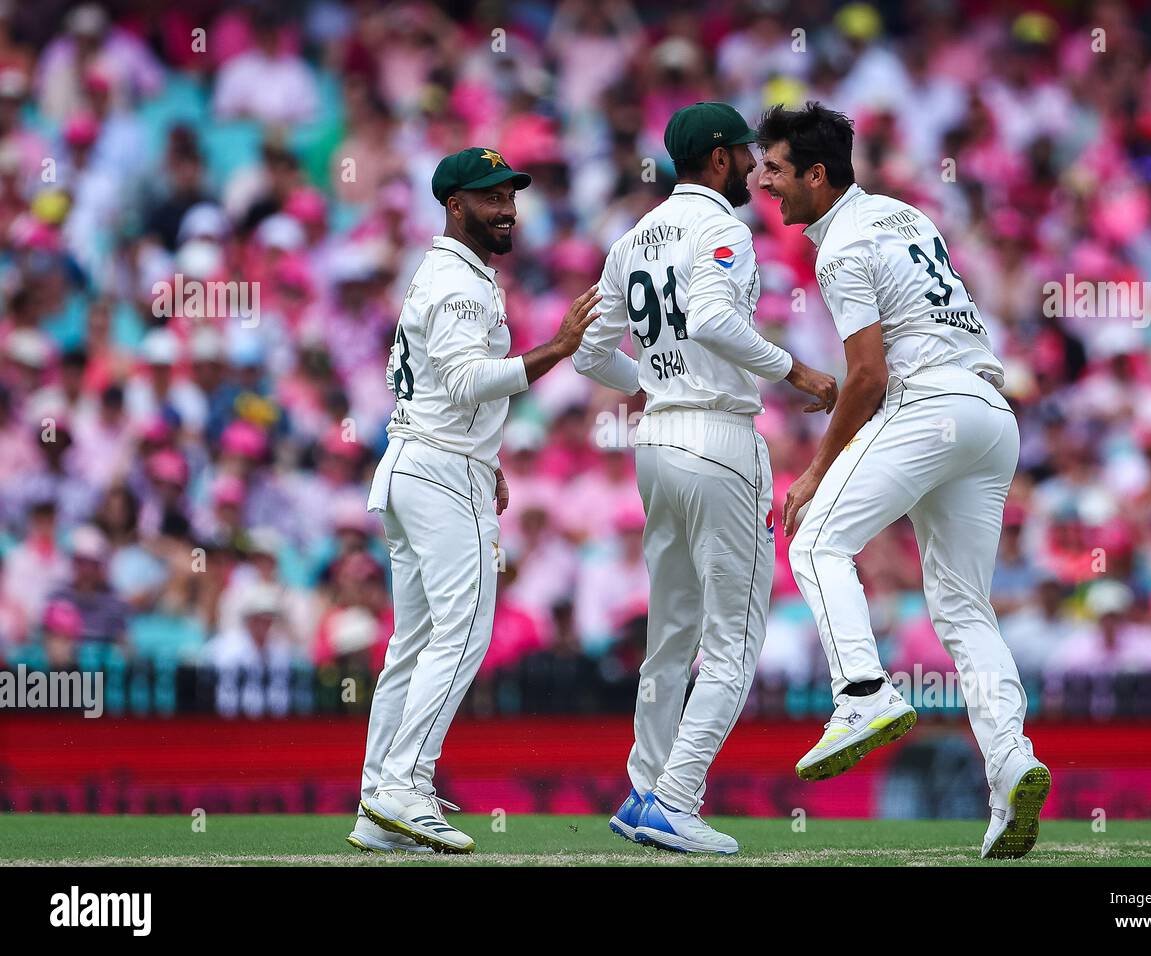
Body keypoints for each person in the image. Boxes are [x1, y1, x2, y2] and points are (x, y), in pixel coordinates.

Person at [755, 102, 1049, 860]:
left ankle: (862, 694)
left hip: (932, 405)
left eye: (778, 170)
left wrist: (816, 470)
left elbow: (866, 375)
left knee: (815, 537)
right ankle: (1011, 762)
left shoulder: (840, 246)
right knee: (963, 608)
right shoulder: (904, 215)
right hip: (991, 413)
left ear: (817, 176)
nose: (765, 182)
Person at [574, 102, 837, 854]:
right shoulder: (724, 228)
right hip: (718, 436)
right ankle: (677, 798)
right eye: (746, 155)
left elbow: (592, 356)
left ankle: (644, 787)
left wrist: (659, 384)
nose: (757, 169)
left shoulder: (629, 238)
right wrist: (801, 372)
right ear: (717, 160)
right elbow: (717, 323)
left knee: (671, 635)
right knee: (734, 639)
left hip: (656, 440)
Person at [353, 147, 602, 854]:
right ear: (455, 205)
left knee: (414, 641)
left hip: (420, 462)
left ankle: (378, 801)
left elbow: (440, 388)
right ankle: (406, 783)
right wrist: (557, 349)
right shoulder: (460, 284)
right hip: (438, 472)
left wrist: (483, 456)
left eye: (511, 195)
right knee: (462, 633)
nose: (507, 208)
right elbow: (465, 382)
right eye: (491, 197)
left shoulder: (446, 273)